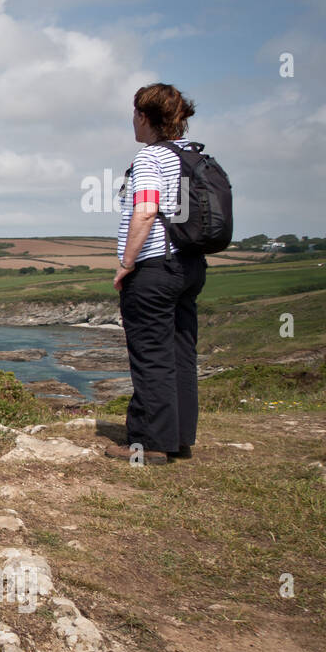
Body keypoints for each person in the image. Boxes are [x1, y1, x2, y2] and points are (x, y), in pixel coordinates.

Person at [103, 83, 207, 466]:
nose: (132, 121)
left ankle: (149, 444)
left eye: (135, 114)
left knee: (151, 355)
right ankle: (179, 438)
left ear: (145, 117)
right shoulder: (192, 156)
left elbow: (145, 212)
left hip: (155, 267)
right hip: (191, 265)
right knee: (181, 352)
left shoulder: (150, 158)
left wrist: (127, 263)